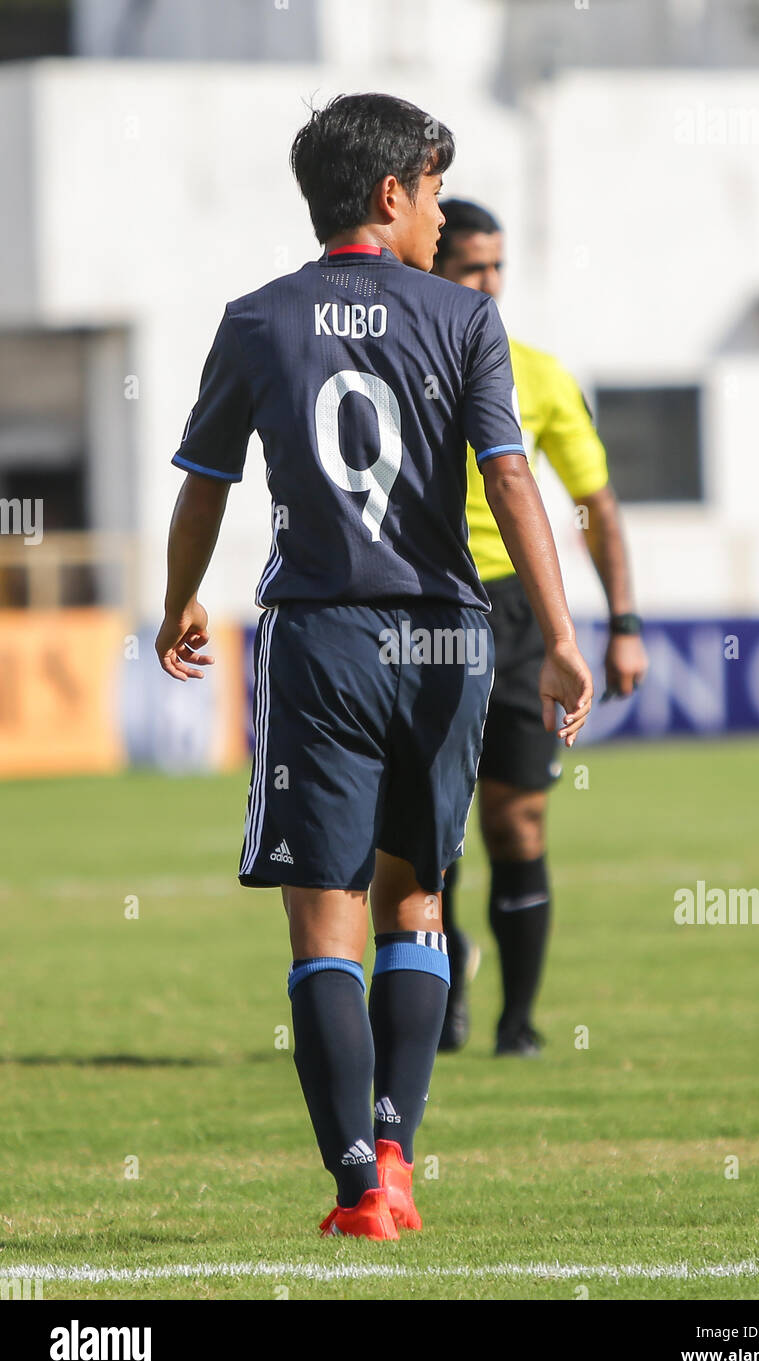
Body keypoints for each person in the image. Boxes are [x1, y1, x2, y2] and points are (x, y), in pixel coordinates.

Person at [155, 95, 593, 1241]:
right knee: (417, 900)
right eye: (435, 191)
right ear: (390, 194)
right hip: (448, 641)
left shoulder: (257, 318)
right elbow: (509, 481)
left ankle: (358, 1186)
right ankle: (400, 1150)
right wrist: (555, 631)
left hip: (323, 639)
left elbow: (205, 479)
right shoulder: (463, 320)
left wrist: (176, 599)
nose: (444, 217)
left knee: (323, 918)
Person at [433, 199, 647, 1057]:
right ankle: (438, 1002)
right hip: (423, 609)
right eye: (468, 270)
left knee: (515, 821)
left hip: (518, 614)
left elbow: (597, 507)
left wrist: (622, 622)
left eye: (496, 268)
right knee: (425, 830)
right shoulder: (399, 364)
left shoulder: (542, 375)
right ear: (430, 270)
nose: (487, 285)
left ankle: (517, 1024)